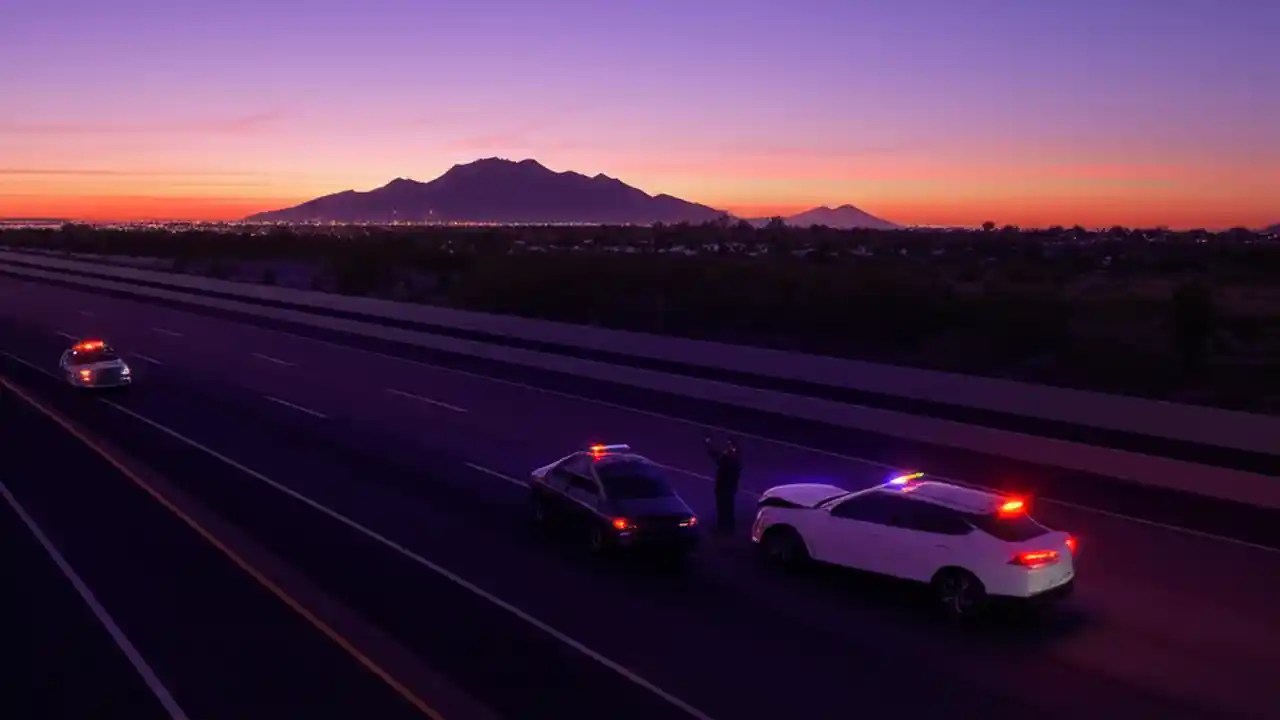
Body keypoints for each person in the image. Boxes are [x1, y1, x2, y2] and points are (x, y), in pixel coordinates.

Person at [704, 435, 742, 535]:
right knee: (727, 508)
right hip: (728, 487)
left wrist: (708, 445)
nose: (728, 447)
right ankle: (728, 527)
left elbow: (717, 458)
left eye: (730, 445)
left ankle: (725, 528)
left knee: (724, 508)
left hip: (725, 487)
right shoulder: (732, 458)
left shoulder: (731, 460)